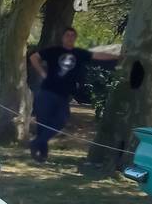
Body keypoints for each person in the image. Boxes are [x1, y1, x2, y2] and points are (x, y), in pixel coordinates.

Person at [27, 28, 113, 161]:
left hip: (63, 95)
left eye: (73, 35)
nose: (70, 38)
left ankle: (36, 143)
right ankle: (41, 155)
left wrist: (118, 56)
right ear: (63, 37)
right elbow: (33, 57)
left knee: (61, 119)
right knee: (42, 123)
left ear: (75, 38)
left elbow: (98, 56)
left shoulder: (78, 53)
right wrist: (42, 73)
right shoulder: (54, 51)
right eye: (67, 35)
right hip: (46, 92)